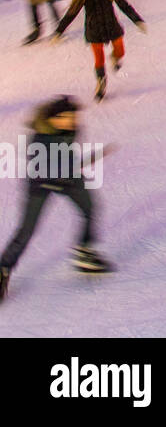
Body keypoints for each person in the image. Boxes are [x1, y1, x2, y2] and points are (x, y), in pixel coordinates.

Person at [0, 96, 112, 302]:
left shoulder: (73, 129)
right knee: (26, 230)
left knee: (90, 208)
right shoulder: (39, 139)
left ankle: (84, 252)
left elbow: (67, 155)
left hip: (68, 177)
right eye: (67, 117)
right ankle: (3, 268)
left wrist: (75, 165)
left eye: (73, 116)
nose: (72, 120)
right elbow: (40, 168)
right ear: (53, 119)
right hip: (41, 183)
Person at [53, 0, 146, 100]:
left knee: (120, 51)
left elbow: (123, 5)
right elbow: (71, 14)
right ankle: (101, 83)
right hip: (94, 30)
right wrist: (59, 31)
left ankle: (115, 57)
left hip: (111, 26)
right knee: (99, 58)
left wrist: (137, 20)